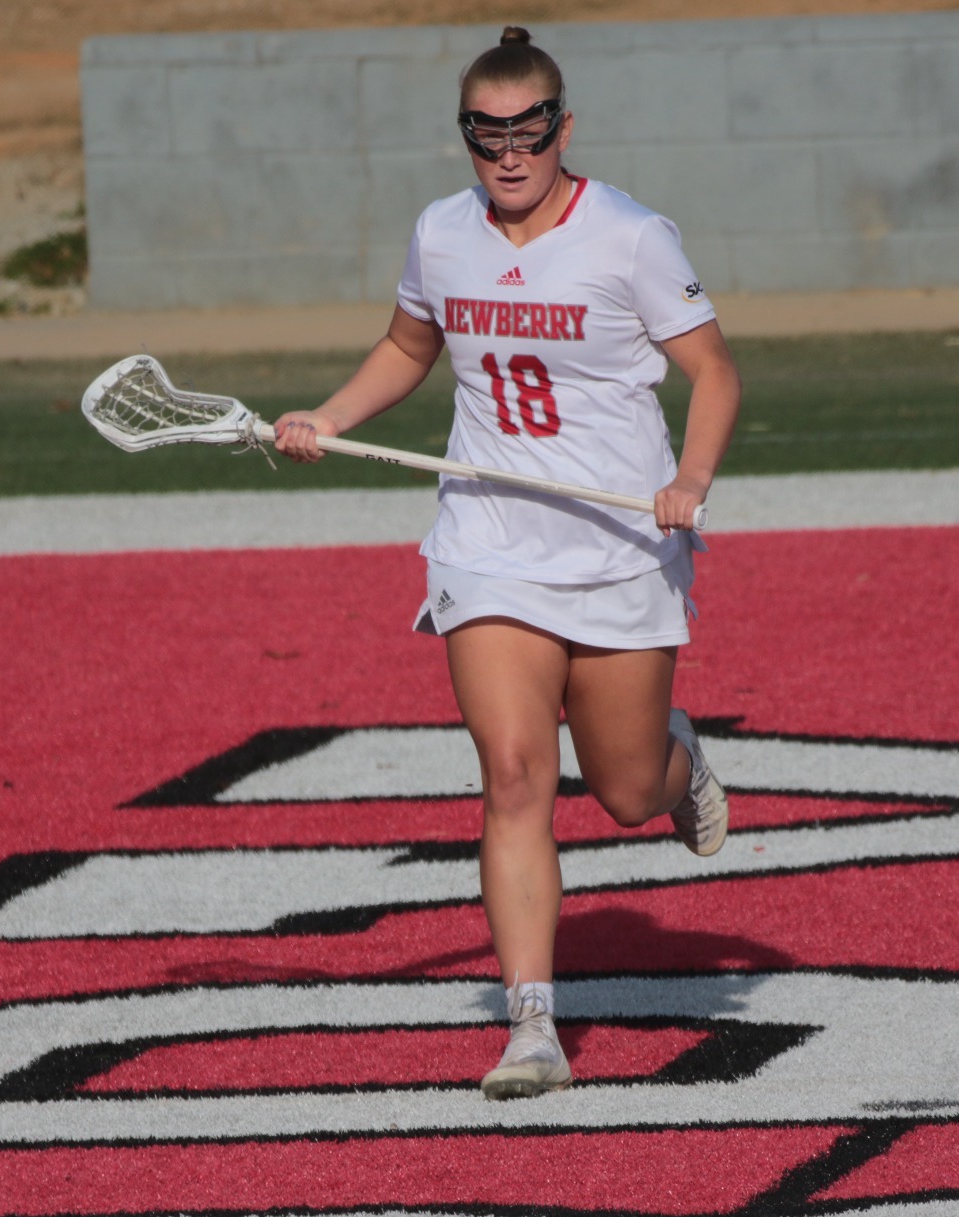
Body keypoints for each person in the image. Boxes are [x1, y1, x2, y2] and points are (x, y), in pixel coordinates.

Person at [273, 26, 739, 1100]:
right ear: (466, 140)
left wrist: (691, 482)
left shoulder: (629, 237)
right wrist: (325, 418)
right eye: (487, 136)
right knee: (516, 774)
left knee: (621, 791)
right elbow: (407, 347)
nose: (509, 153)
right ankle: (532, 1023)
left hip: (620, 545)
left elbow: (711, 373)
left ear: (561, 129)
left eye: (528, 130)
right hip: (486, 543)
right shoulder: (442, 233)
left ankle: (681, 763)